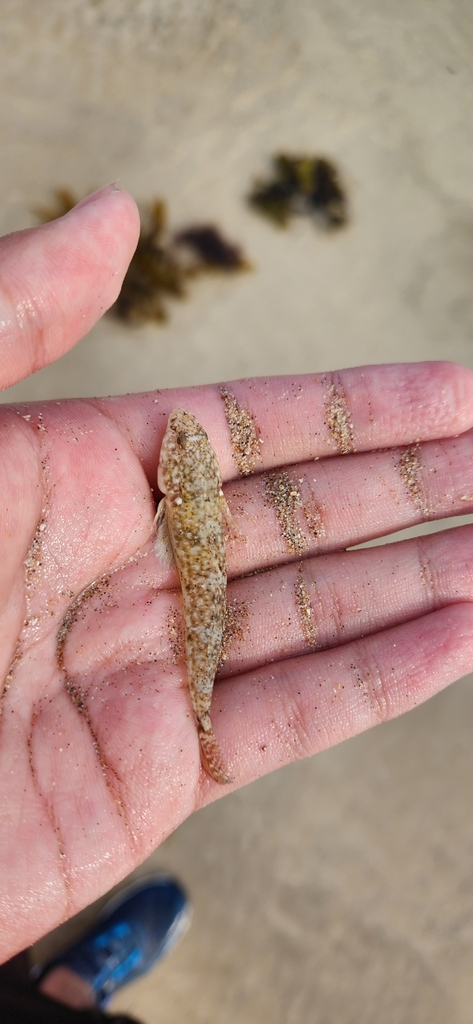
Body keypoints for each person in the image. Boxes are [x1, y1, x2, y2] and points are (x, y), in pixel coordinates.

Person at [1, 185, 473, 1017]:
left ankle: (62, 986)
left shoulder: (173, 493)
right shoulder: (189, 495)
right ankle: (71, 986)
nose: (177, 439)